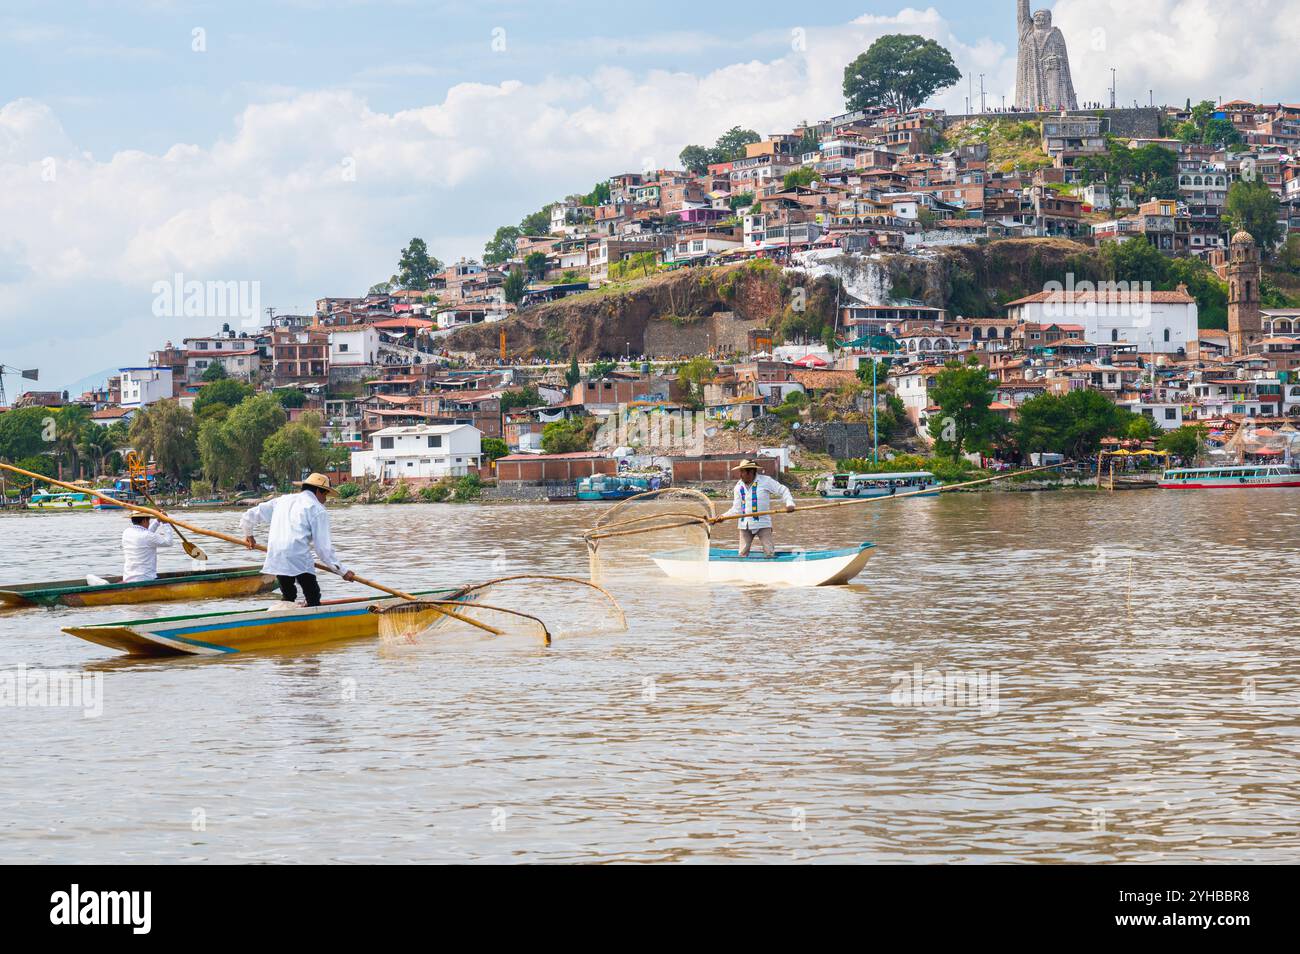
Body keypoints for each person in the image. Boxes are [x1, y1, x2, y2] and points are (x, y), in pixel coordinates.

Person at [240, 473, 355, 607]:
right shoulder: (317, 509)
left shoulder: (282, 500)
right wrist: (343, 571)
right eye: (325, 495)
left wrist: (249, 534)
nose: (324, 499)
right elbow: (323, 549)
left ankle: (287, 616)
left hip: (276, 554)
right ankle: (310, 618)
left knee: (288, 595)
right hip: (298, 556)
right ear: (318, 491)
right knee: (313, 596)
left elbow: (249, 515)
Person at [722, 460, 795, 558]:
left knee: (769, 553)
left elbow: (783, 490)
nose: (740, 475)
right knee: (742, 554)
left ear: (751, 472)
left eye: (742, 472)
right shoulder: (738, 487)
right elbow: (736, 509)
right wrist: (723, 517)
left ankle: (771, 565)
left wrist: (789, 503)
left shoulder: (765, 481)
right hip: (745, 525)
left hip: (763, 524)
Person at [121, 513, 175, 583]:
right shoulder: (147, 535)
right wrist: (166, 523)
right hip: (146, 578)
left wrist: (157, 521)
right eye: (148, 521)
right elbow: (169, 542)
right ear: (144, 521)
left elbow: (146, 533)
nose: (149, 523)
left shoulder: (127, 532)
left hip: (128, 577)